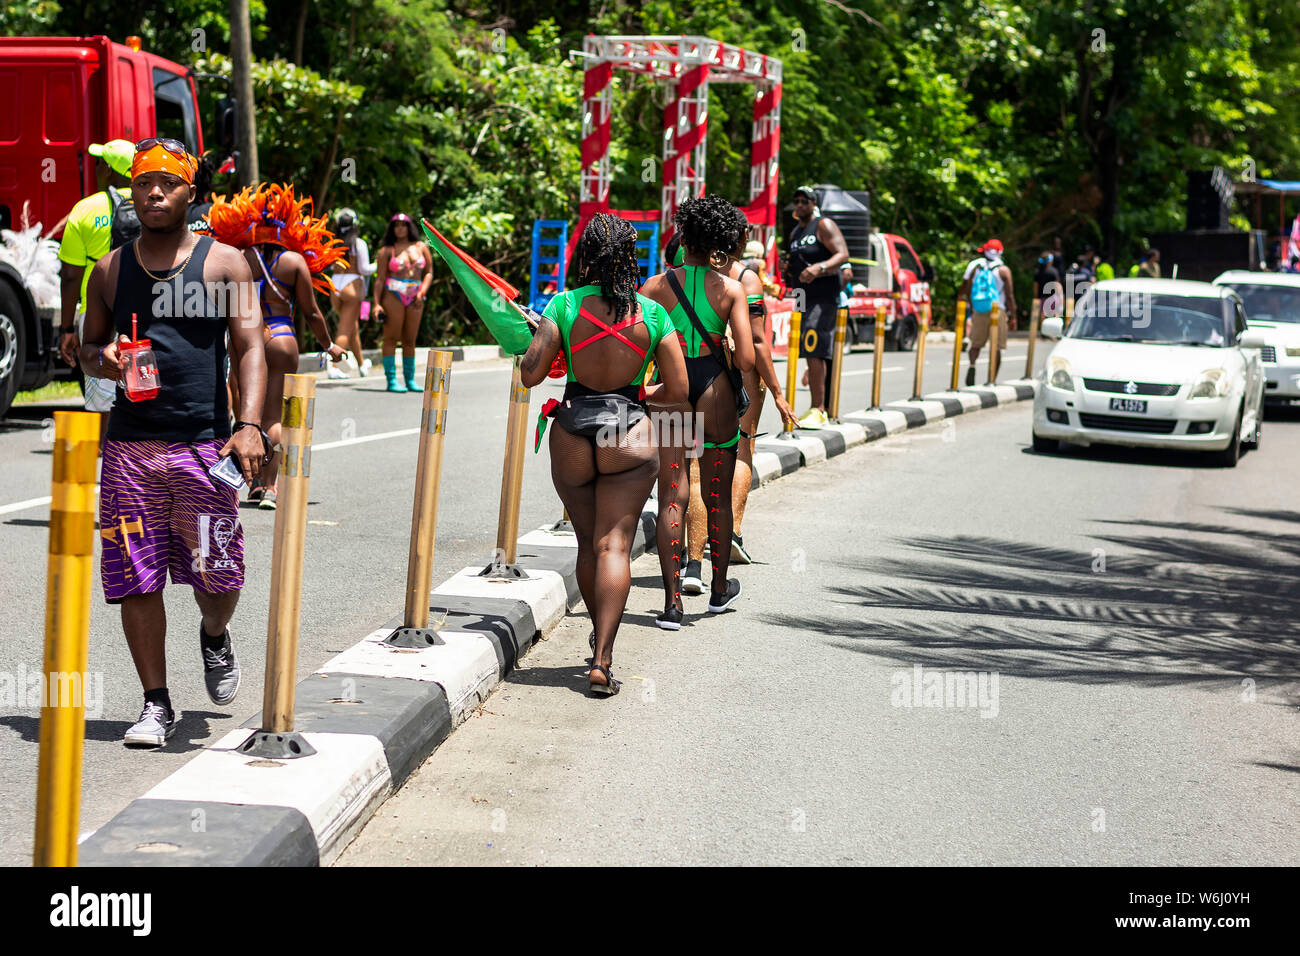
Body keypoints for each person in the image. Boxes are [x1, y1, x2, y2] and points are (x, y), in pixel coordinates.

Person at [77, 138, 269, 747]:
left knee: (218, 575)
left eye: (167, 183)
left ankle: (214, 634)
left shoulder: (227, 265)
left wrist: (249, 425)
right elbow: (83, 348)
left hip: (205, 447)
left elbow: (250, 348)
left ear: (192, 192)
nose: (153, 193)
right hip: (130, 450)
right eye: (142, 184)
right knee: (136, 578)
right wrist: (101, 359)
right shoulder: (108, 270)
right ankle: (156, 703)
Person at [520, 214, 687, 694]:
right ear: (630, 258)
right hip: (628, 431)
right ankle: (602, 660)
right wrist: (638, 396)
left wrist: (528, 342)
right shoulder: (653, 315)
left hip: (572, 430)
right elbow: (677, 389)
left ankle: (598, 632)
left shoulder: (564, 304)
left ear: (588, 255)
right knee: (615, 546)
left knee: (588, 543)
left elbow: (530, 374)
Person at [641, 195, 755, 628]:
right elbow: (745, 360)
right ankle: (719, 589)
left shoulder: (653, 288)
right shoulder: (730, 289)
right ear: (721, 243)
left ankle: (672, 603)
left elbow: (637, 346)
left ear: (682, 236)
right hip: (715, 391)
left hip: (671, 390)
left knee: (671, 494)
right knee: (717, 495)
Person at [207, 183, 347, 508]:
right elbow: (312, 312)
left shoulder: (239, 257)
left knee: (248, 413)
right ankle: (270, 488)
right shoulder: (295, 262)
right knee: (276, 416)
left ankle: (253, 485)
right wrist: (329, 347)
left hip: (244, 340)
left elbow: (222, 305)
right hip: (282, 338)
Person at [681, 214, 796, 589]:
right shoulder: (745, 279)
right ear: (736, 238)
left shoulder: (673, 277)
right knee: (740, 453)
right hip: (734, 381)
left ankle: (690, 562)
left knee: (691, 471)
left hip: (683, 378)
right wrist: (777, 391)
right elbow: (757, 345)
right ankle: (730, 537)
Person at [57, 139, 136, 432]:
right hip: (146, 319)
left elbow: (70, 276)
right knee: (144, 396)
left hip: (97, 320)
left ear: (111, 170)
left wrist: (66, 329)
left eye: (100, 162)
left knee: (104, 409)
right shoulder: (155, 207)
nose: (97, 167)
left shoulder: (85, 210)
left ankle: (109, 469)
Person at [782, 185, 848, 427]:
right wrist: (788, 268)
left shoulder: (823, 225)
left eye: (804, 201)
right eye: (796, 200)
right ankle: (813, 380)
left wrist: (819, 268)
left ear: (813, 203)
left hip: (822, 295)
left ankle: (819, 408)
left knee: (813, 342)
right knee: (805, 345)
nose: (799, 205)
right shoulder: (796, 232)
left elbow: (842, 255)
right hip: (800, 293)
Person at [372, 213, 432, 392]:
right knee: (391, 338)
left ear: (409, 227)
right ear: (392, 228)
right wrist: (377, 303)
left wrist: (422, 292)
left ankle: (410, 380)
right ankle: (391, 380)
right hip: (393, 295)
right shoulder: (387, 250)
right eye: (396, 225)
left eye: (403, 225)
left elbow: (429, 272)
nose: (400, 228)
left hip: (416, 295)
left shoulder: (421, 247)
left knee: (410, 340)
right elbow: (380, 279)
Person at [959, 238, 1017, 385]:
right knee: (996, 346)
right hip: (998, 310)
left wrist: (969, 306)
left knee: (976, 344)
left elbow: (965, 287)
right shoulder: (1003, 270)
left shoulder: (975, 266)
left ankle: (972, 365)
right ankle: (992, 379)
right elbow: (1009, 295)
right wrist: (1013, 316)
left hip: (979, 309)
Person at [328, 207, 376, 379]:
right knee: (344, 330)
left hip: (335, 286)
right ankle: (333, 366)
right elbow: (364, 269)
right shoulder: (359, 244)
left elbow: (330, 266)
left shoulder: (333, 242)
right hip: (352, 287)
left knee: (351, 327)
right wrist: (378, 265)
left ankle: (362, 365)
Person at [1033, 249, 1061, 319]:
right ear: (1050, 260)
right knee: (1055, 314)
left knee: (1043, 315)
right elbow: (1057, 286)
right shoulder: (1054, 271)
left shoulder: (1037, 272)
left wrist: (1036, 297)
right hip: (1053, 297)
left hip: (1042, 297)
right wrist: (1059, 296)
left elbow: (1036, 287)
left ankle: (1043, 329)